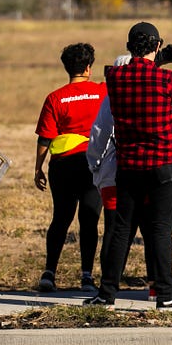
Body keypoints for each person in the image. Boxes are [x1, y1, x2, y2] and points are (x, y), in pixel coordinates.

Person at [89, 22, 172, 309]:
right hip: (164, 163)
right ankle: (165, 294)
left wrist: (158, 56)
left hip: (129, 165)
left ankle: (106, 293)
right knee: (160, 230)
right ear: (158, 46)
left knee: (122, 229)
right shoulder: (165, 81)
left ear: (128, 46)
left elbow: (129, 67)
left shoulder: (115, 78)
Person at [33, 43, 106, 294]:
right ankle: (86, 276)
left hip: (62, 166)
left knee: (61, 218)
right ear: (88, 67)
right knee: (89, 219)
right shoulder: (103, 91)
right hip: (93, 164)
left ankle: (49, 272)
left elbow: (45, 138)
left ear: (67, 68)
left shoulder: (55, 98)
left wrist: (38, 168)